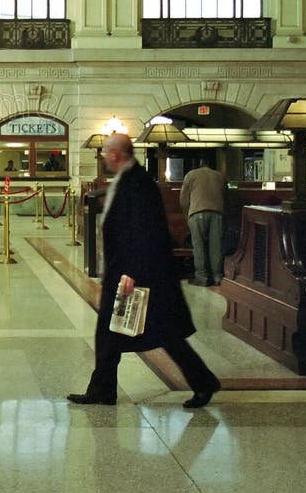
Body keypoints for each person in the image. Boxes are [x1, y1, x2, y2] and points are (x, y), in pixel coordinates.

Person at [67, 133, 220, 409]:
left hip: (142, 275)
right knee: (109, 334)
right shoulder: (128, 179)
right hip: (127, 272)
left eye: (105, 152)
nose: (103, 156)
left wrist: (131, 272)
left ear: (116, 155)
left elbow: (144, 232)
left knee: (168, 336)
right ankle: (102, 390)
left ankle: (204, 382)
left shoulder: (139, 183)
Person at [179, 158, 226, 286]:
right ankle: (217, 276)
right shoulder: (219, 176)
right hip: (217, 213)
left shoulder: (191, 175)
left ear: (199, 165)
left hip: (197, 212)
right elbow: (225, 196)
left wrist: (188, 215)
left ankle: (202, 277)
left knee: (198, 246)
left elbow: (183, 199)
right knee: (216, 246)